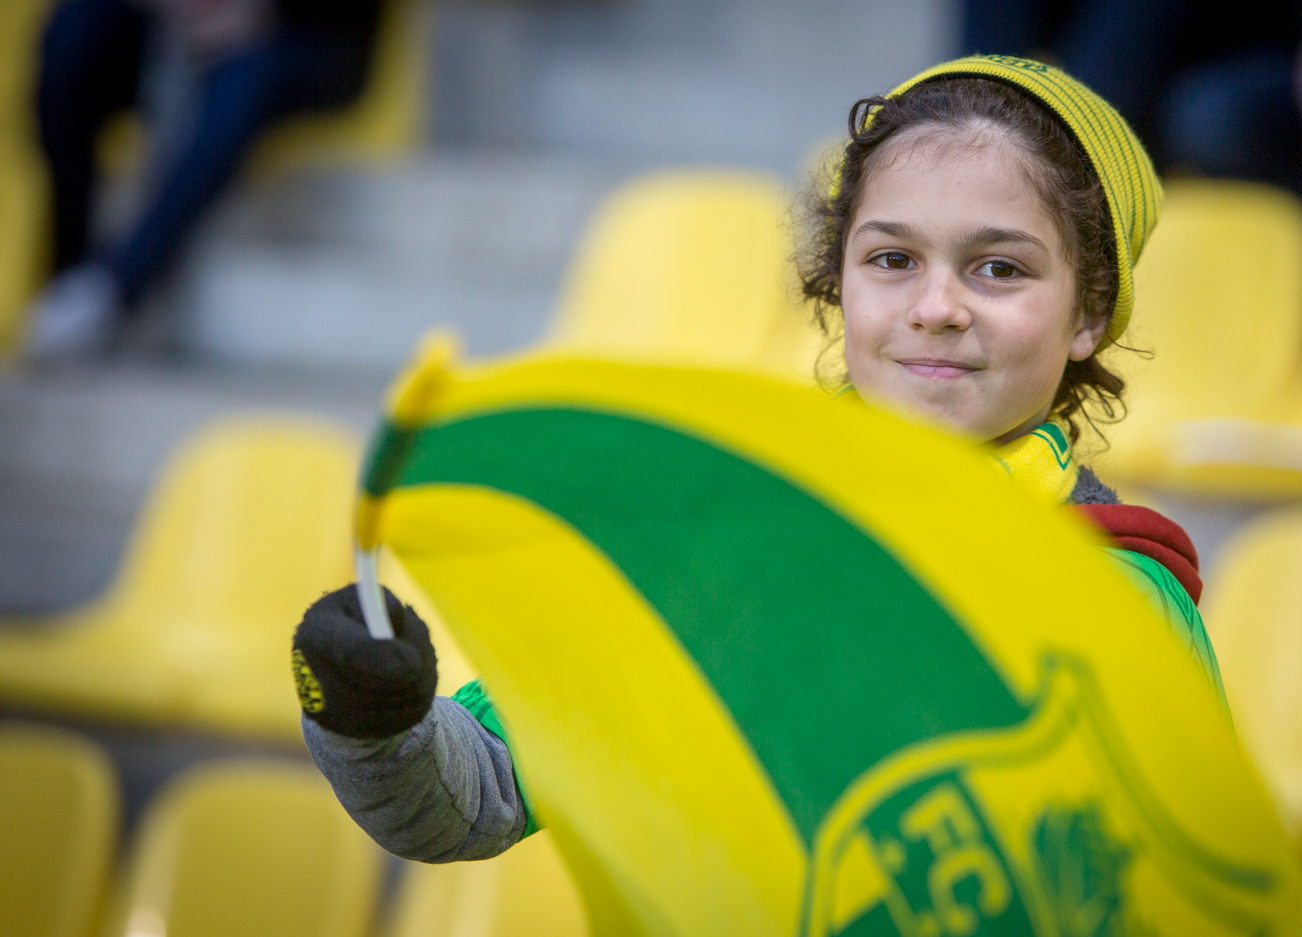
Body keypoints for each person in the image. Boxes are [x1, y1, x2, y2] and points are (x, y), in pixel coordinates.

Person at [290, 55, 1219, 865]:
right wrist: (377, 719)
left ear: (1091, 311)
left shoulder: (1126, 600)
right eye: (892, 259)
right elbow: (484, 789)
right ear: (840, 280)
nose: (937, 306)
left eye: (999, 268)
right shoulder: (723, 545)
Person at [959, 0, 1302, 260]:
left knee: (1209, 116)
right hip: (1224, 81)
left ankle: (1053, 161)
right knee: (1207, 115)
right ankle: (1026, 146)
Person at [26, 0, 384, 359]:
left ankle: (109, 289)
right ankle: (69, 275)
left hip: (307, 35)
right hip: (169, 27)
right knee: (74, 33)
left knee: (243, 80)